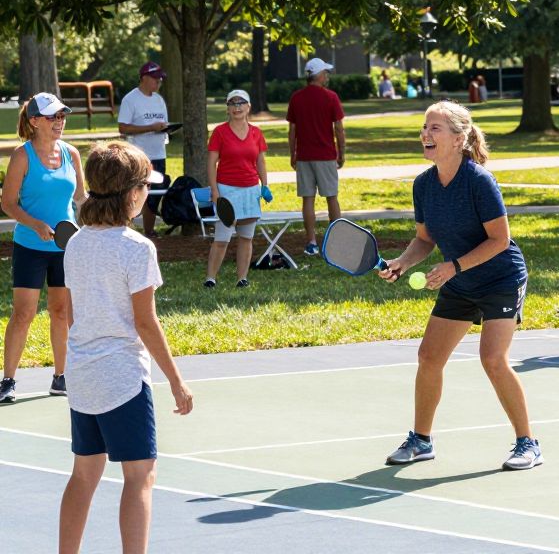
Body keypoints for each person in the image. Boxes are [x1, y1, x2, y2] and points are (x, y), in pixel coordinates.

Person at [377, 101, 539, 471]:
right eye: (424, 127)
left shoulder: (478, 181)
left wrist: (455, 266)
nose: (426, 134)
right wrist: (403, 261)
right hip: (460, 279)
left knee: (493, 359)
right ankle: (420, 440)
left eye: (435, 128)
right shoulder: (424, 185)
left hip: (500, 277)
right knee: (429, 358)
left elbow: (499, 239)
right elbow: (424, 239)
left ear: (458, 137)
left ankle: (527, 443)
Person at [59, 141, 193, 554]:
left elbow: (68, 311)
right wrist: (176, 381)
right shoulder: (138, 248)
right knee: (140, 477)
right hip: (122, 380)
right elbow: (144, 321)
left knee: (84, 474)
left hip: (81, 375)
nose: (147, 194)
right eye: (145, 188)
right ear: (132, 194)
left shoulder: (76, 243)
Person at [0, 93, 87, 403]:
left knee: (61, 312)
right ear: (34, 122)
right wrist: (35, 225)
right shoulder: (22, 156)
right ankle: (7, 380)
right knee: (23, 313)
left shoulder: (72, 154)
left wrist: (99, 216)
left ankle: (60, 378)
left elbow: (80, 198)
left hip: (66, 247)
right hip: (30, 247)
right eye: (53, 117)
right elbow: (8, 203)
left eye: (62, 116)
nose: (59, 122)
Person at [204, 90, 271, 289]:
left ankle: (242, 278)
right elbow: (211, 163)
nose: (237, 107)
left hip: (250, 190)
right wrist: (215, 191)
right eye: (232, 103)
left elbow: (260, 161)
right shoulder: (219, 132)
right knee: (222, 239)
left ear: (248, 107)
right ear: (228, 108)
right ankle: (210, 278)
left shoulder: (256, 133)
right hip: (227, 190)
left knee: (246, 237)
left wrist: (264, 185)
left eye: (241, 103)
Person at [287, 57, 345, 256]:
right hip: (326, 155)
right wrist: (342, 153)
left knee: (308, 199)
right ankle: (337, 240)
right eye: (325, 72)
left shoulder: (296, 98)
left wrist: (292, 153)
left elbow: (292, 130)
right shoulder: (330, 97)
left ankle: (311, 241)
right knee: (332, 198)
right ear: (318, 75)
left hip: (304, 156)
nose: (327, 76)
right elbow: (338, 129)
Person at [117, 61, 172, 237]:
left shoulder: (159, 100)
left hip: (159, 153)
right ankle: (126, 230)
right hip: (138, 155)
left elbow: (162, 124)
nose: (158, 82)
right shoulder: (130, 99)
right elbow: (123, 128)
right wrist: (150, 128)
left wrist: (166, 128)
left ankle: (149, 231)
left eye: (160, 80)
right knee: (133, 192)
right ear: (144, 78)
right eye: (156, 79)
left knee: (154, 194)